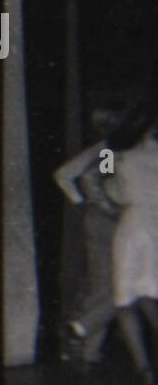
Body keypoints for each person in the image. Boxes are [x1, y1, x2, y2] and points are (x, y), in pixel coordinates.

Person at [70, 104, 158, 384]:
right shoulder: (125, 154)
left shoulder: (119, 155)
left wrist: (109, 202)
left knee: (125, 298)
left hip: (130, 227)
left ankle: (143, 368)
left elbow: (93, 178)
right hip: (147, 226)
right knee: (145, 297)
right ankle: (85, 331)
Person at [53, 106, 123, 364]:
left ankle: (86, 348)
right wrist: (97, 204)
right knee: (108, 284)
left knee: (102, 284)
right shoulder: (108, 149)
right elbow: (77, 176)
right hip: (108, 221)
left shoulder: (107, 148)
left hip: (105, 219)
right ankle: (82, 339)